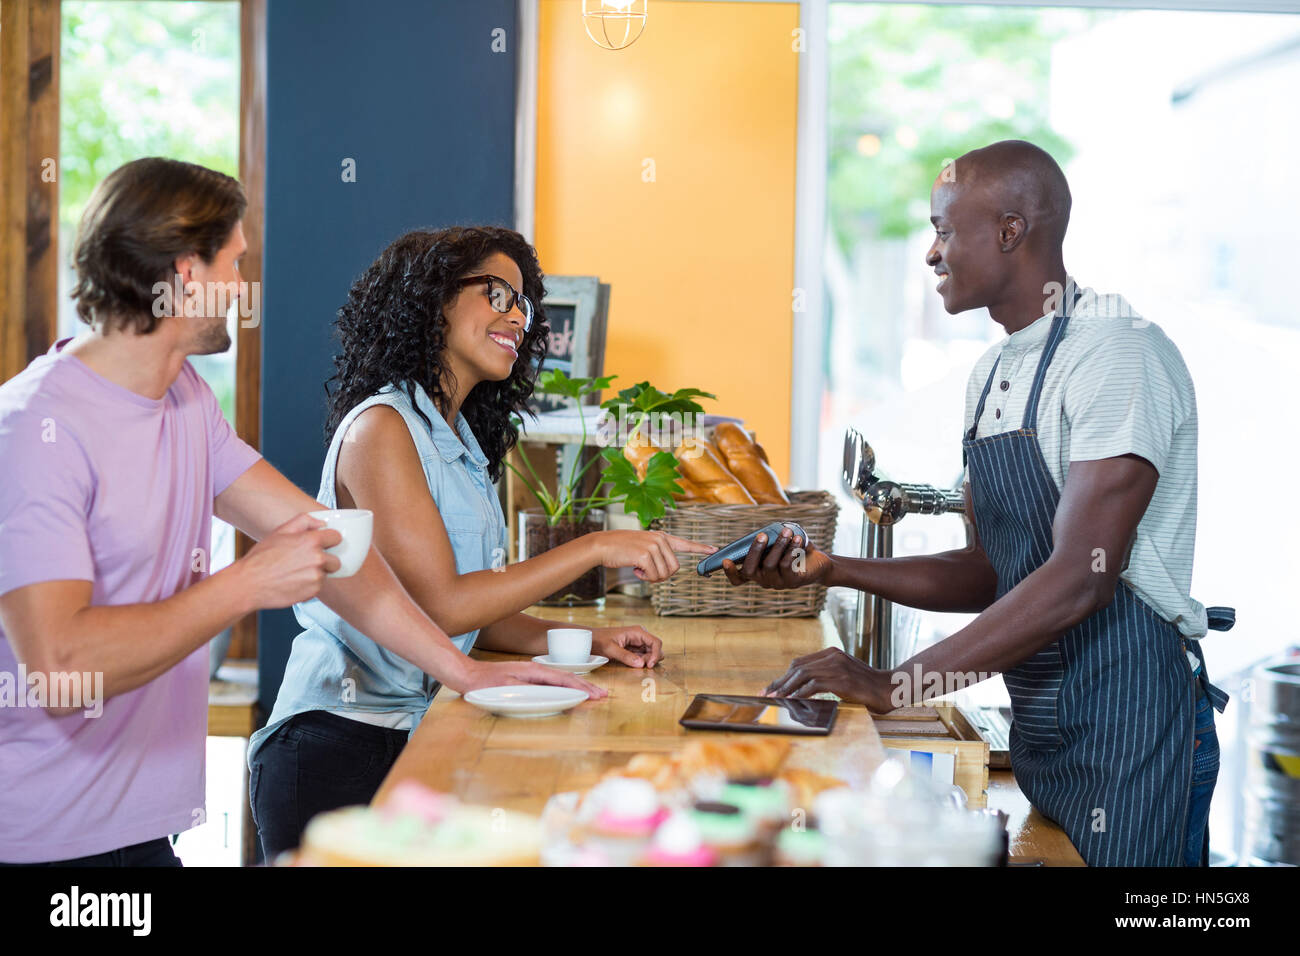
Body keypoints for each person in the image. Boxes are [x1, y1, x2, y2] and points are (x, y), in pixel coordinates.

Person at [0, 159, 600, 867]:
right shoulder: (35, 427)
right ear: (186, 272)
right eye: (235, 264)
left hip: (143, 830)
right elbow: (61, 664)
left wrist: (463, 673)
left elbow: (335, 547)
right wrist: (246, 584)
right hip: (46, 842)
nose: (243, 290)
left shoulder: (186, 401)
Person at [722, 140, 1234, 867]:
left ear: (1010, 229)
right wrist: (832, 569)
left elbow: (1080, 577)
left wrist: (894, 686)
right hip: (1051, 729)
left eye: (943, 229)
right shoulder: (991, 375)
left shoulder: (1116, 353)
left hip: (1134, 726)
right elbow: (990, 571)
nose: (931, 253)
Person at [249, 226, 714, 858]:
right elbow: (440, 606)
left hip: (419, 728)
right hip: (339, 741)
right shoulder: (382, 429)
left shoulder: (459, 439)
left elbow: (467, 618)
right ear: (433, 298)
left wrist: (582, 642)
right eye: (497, 294)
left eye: (523, 304)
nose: (517, 316)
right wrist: (594, 547)